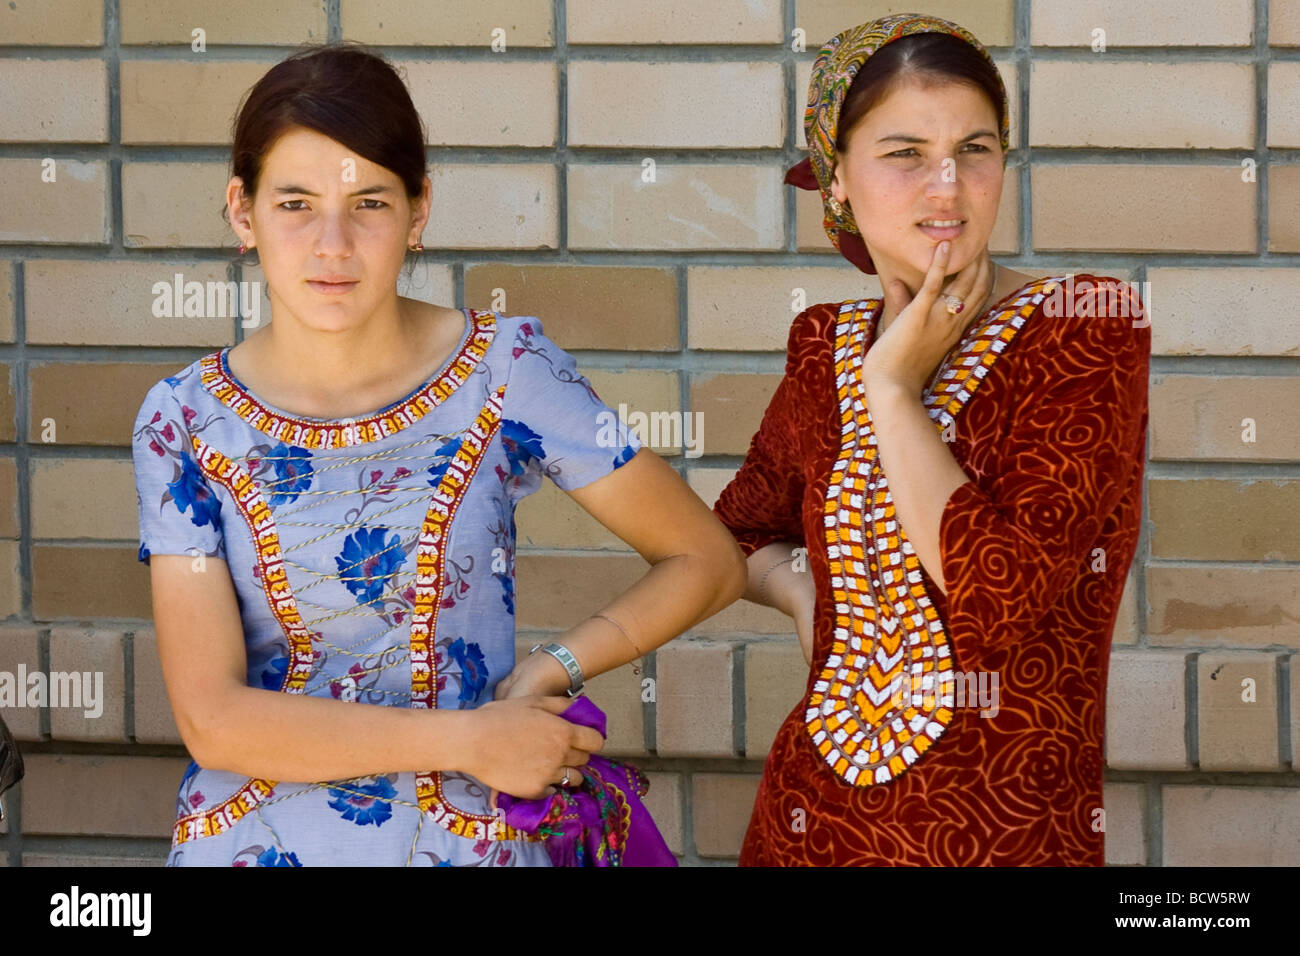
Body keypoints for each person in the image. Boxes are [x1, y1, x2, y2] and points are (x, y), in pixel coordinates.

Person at [132, 43, 746, 867]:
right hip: (251, 845)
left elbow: (706, 558)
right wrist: (469, 739)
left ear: (420, 211)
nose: (333, 243)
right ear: (242, 213)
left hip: (468, 844)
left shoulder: (505, 371)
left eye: (371, 202)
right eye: (296, 203)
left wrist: (556, 667)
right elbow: (212, 717)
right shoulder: (185, 422)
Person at [712, 13, 1150, 866]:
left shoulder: (1084, 328)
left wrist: (892, 388)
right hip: (807, 828)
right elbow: (739, 529)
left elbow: (1003, 598)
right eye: (905, 153)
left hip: (1007, 837)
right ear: (837, 180)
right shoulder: (821, 345)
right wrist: (807, 597)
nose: (946, 186)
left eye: (976, 149)